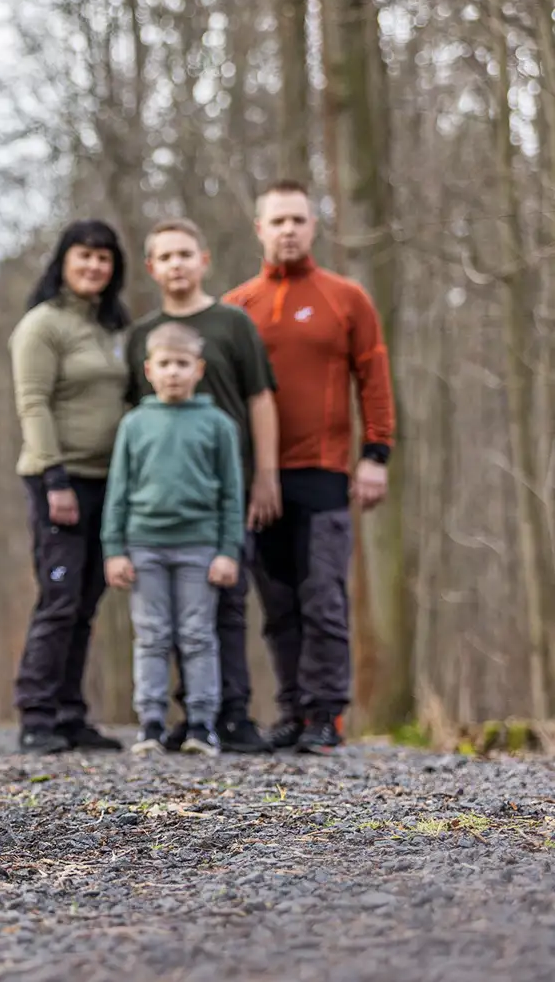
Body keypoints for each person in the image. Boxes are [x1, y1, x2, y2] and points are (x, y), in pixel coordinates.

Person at [222, 179, 396, 755]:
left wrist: (376, 454)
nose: (288, 230)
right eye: (278, 221)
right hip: (256, 480)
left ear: (313, 226)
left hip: (324, 472)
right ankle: (294, 711)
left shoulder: (346, 298)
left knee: (323, 595)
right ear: (260, 229)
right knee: (276, 602)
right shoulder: (236, 307)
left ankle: (327, 714)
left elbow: (373, 378)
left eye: (298, 219)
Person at [123, 218, 281, 754]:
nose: (176, 264)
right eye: (165, 256)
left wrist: (265, 474)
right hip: (155, 521)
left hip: (218, 501)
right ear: (152, 267)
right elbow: (133, 418)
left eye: (185, 254)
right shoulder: (142, 334)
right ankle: (169, 720)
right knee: (160, 629)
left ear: (203, 258)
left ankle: (222, 717)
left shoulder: (232, 324)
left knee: (221, 615)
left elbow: (260, 398)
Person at [8, 218, 132, 755]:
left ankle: (70, 712)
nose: (94, 266)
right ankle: (37, 713)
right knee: (59, 596)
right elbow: (32, 402)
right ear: (63, 260)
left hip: (109, 481)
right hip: (57, 478)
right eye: (84, 256)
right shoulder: (42, 325)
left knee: (86, 600)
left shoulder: (113, 329)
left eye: (103, 258)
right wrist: (54, 478)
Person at [102, 321, 244, 758]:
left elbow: (231, 492)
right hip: (144, 545)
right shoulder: (135, 423)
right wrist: (114, 549)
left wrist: (227, 550)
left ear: (198, 369)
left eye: (182, 364)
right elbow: (119, 490)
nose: (173, 372)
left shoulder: (218, 425)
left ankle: (202, 724)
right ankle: (150, 723)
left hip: (200, 547)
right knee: (151, 635)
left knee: (198, 635)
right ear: (149, 369)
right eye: (165, 364)